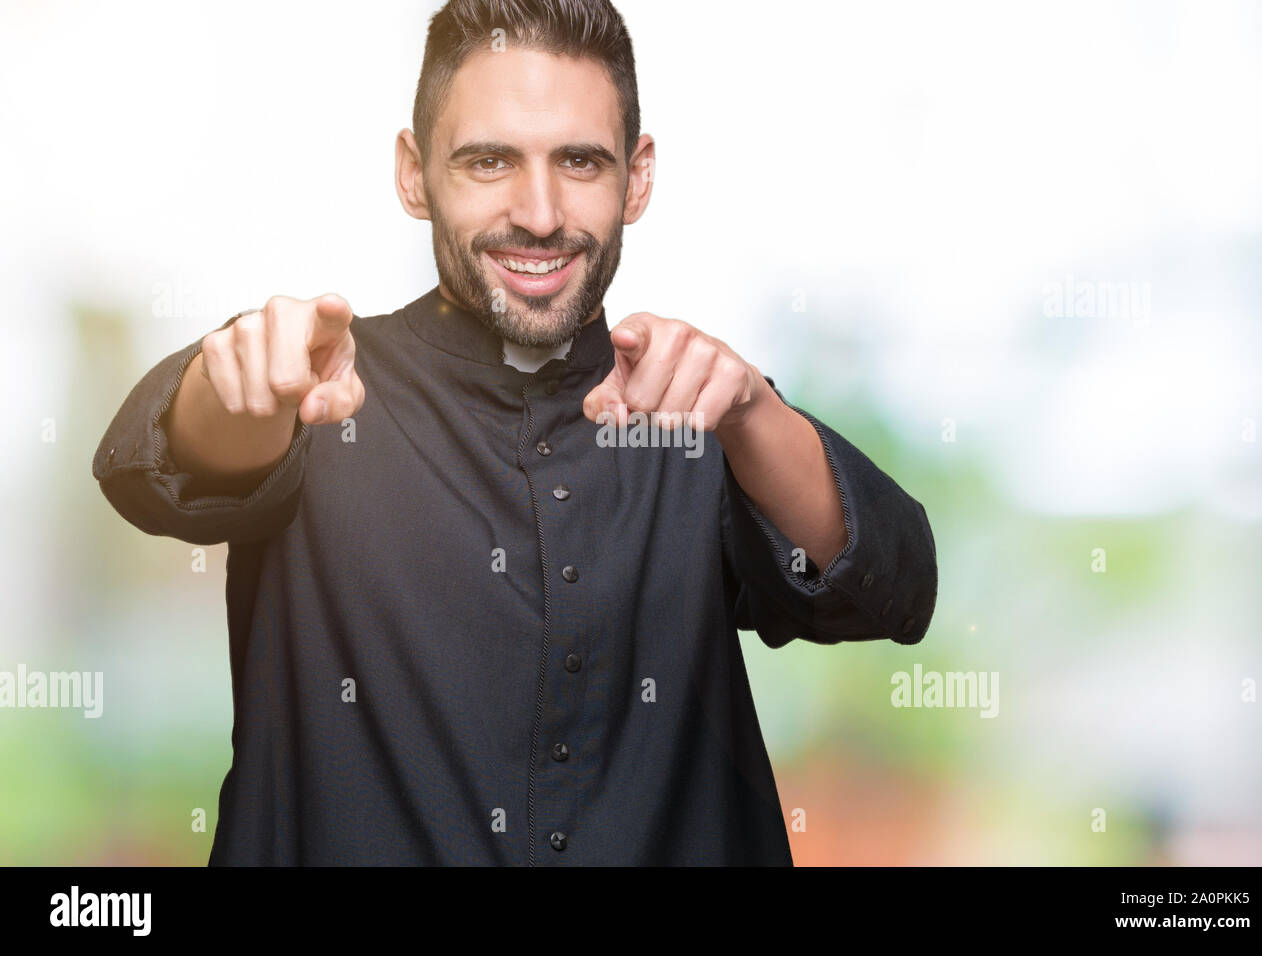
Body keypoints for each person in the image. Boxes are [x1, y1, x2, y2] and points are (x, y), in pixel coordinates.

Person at [92, 0, 937, 865]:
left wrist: (755, 412)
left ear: (637, 179)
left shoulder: (699, 409)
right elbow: (174, 465)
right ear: (414, 173)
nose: (539, 212)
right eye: (490, 160)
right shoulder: (312, 378)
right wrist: (237, 388)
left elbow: (891, 591)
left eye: (579, 161)